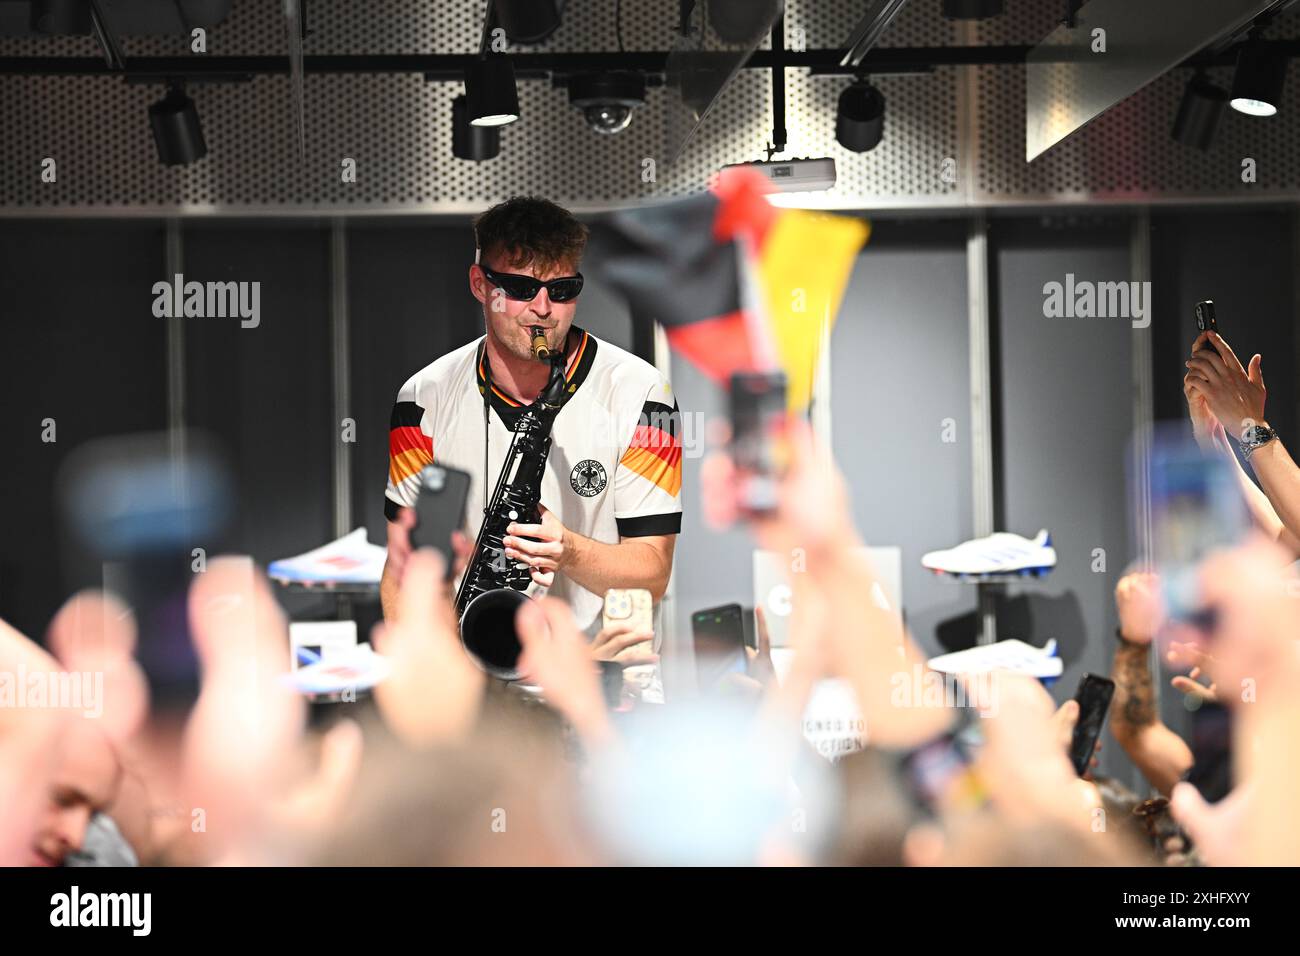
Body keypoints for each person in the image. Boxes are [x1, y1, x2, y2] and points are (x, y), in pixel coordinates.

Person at [380, 196, 682, 646]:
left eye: (561, 290)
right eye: (521, 289)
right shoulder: (420, 401)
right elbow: (405, 571)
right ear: (481, 285)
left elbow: (653, 574)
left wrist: (570, 552)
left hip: (598, 669)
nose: (543, 309)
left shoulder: (644, 395)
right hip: (476, 674)